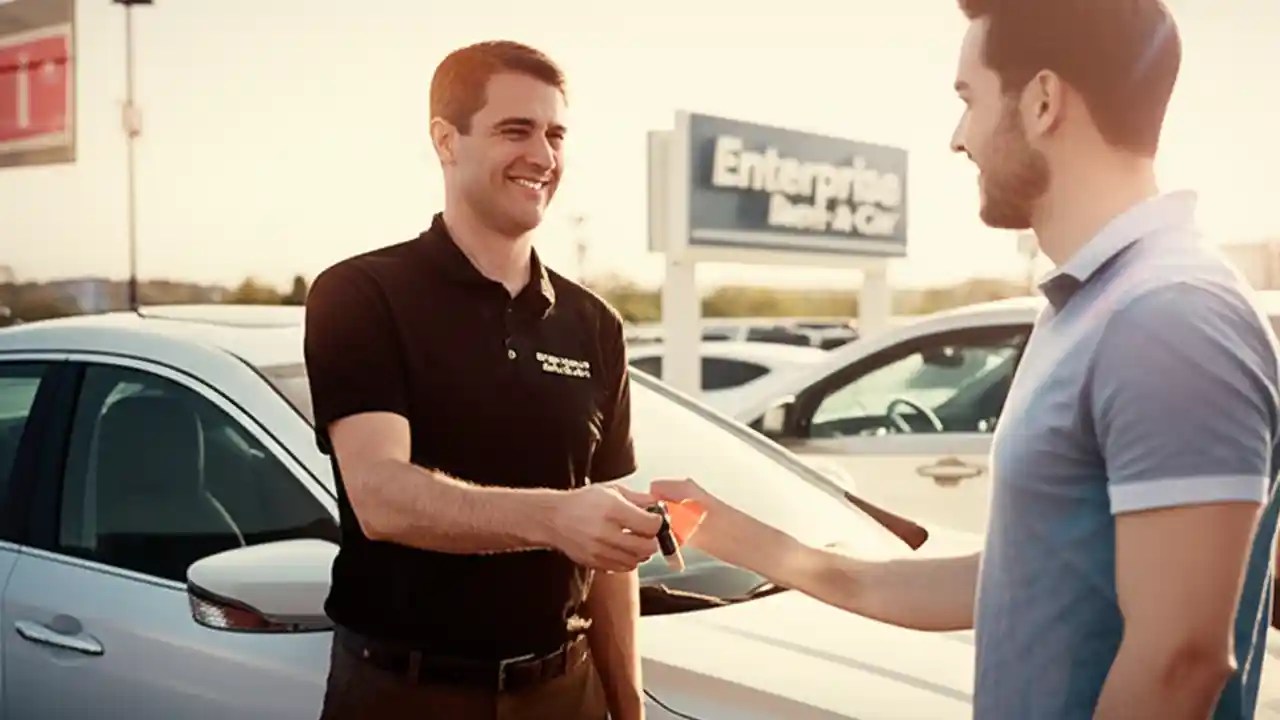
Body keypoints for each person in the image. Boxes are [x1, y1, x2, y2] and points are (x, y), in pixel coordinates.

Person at [652, 1, 1280, 718]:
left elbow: (1180, 662)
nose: (959, 138)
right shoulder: (1088, 307)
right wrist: (731, 530)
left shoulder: (1169, 315)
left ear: (1042, 101)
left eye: (968, 100)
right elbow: (1010, 580)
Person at [303, 40, 662, 720]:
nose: (544, 157)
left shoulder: (595, 325)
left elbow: (613, 549)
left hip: (566, 692)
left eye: (555, 134)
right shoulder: (361, 293)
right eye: (515, 130)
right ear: (446, 139)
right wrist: (559, 518)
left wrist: (628, 706)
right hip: (407, 694)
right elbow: (381, 496)